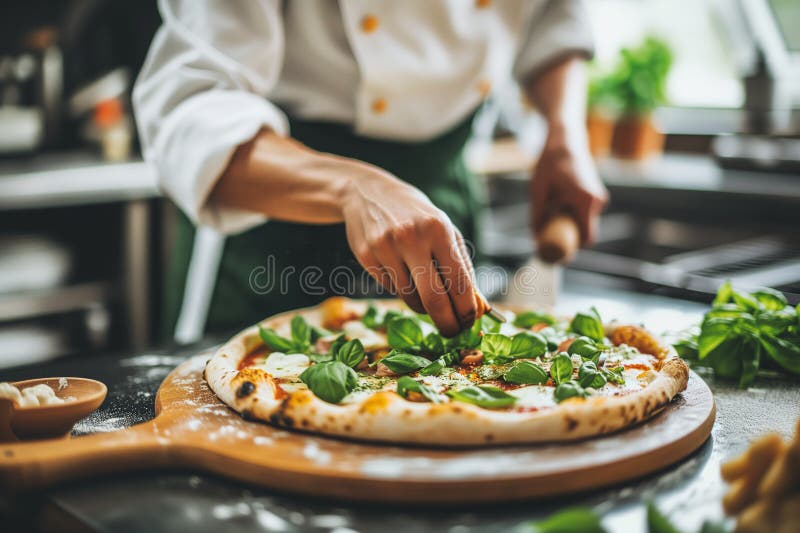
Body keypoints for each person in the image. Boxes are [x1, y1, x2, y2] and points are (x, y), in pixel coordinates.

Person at [133, 0, 608, 339]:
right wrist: (352, 187)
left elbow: (552, 16)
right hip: (279, 208)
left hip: (444, 194)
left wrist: (564, 133)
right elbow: (189, 106)